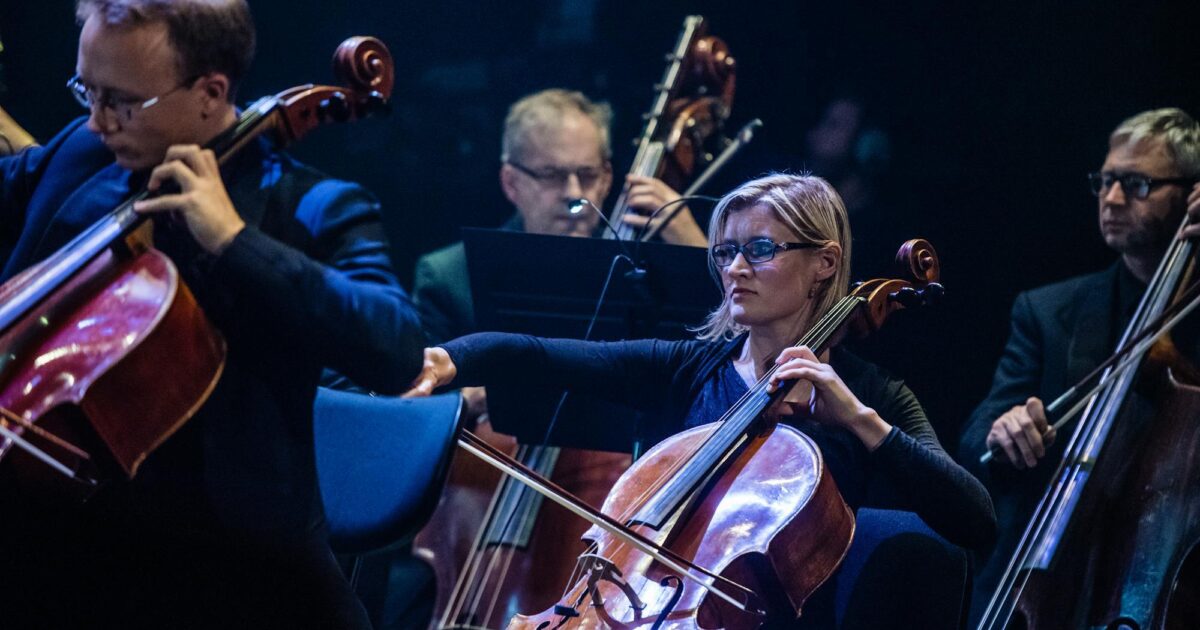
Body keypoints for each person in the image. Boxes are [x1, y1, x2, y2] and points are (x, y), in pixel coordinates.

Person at [407, 173, 996, 627]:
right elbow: (538, 353)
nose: (735, 269)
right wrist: (449, 358)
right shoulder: (687, 368)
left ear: (825, 263)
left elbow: (974, 519)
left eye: (761, 249)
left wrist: (860, 422)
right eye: (725, 252)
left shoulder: (870, 393)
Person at [0, 1, 423, 627]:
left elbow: (396, 349)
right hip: (66, 559)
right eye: (85, 90)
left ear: (210, 92)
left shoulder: (309, 205)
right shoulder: (83, 155)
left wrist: (232, 240)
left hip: (232, 583)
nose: (94, 121)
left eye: (119, 101)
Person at [957, 108, 1200, 621]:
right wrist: (1003, 433)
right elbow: (977, 436)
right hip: (1049, 579)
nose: (1111, 200)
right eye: (1105, 181)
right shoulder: (1048, 312)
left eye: (1136, 185)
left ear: (1190, 192)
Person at [413, 87, 707, 345]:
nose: (573, 192)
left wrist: (697, 251)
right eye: (551, 175)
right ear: (511, 183)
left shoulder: (646, 274)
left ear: (606, 179)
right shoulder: (448, 278)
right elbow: (426, 399)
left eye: (587, 174)